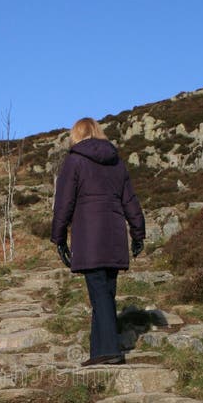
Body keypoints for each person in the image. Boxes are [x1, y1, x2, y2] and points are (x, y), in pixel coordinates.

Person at [50, 117, 146, 366]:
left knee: (99, 293)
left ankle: (110, 351)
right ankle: (99, 352)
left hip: (90, 238)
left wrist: (59, 239)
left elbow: (64, 204)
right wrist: (138, 234)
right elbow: (131, 202)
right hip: (114, 236)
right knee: (105, 294)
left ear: (77, 135)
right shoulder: (117, 162)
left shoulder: (74, 161)